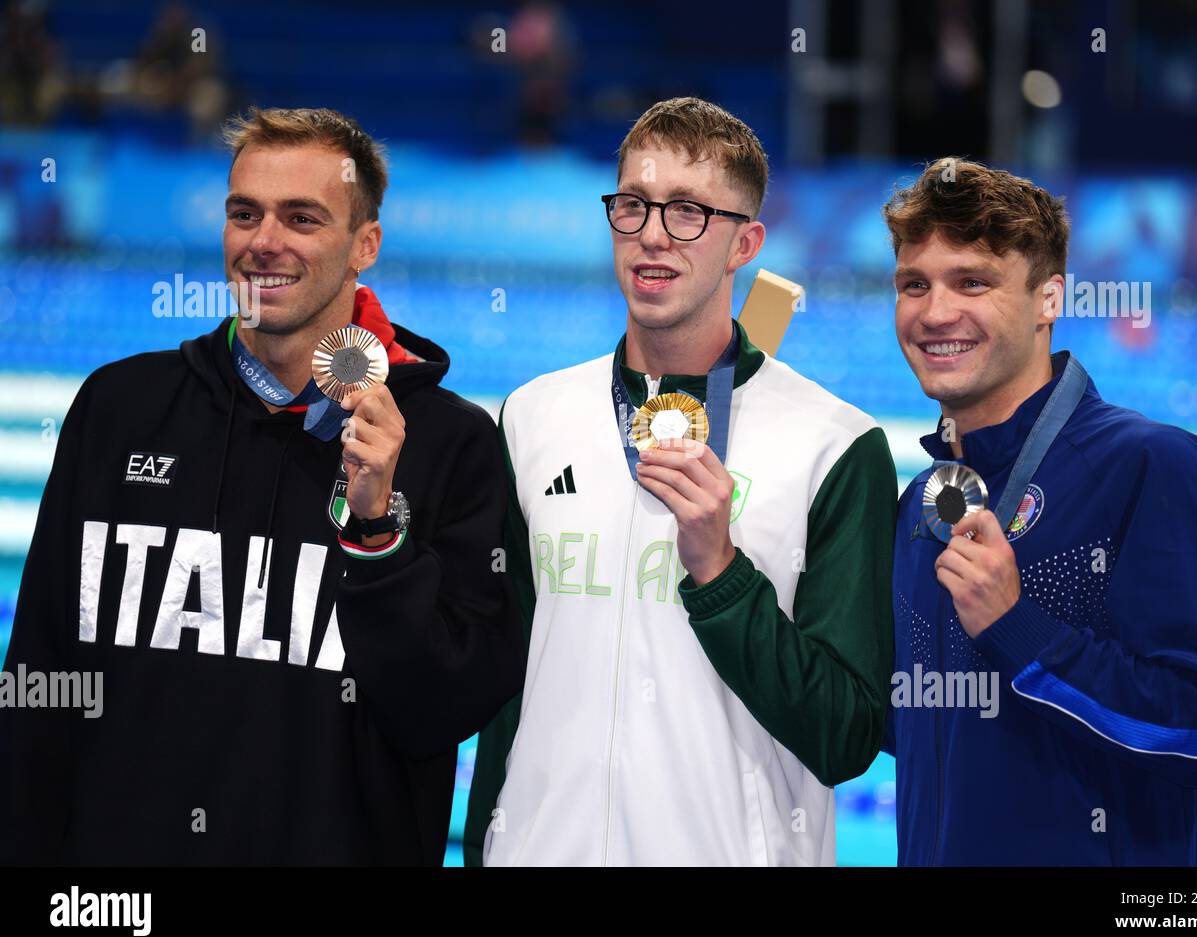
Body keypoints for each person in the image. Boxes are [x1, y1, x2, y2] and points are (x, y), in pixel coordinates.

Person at [0, 107, 524, 864]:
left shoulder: (448, 446)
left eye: (301, 218)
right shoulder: (121, 410)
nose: (263, 242)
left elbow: (443, 710)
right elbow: (40, 683)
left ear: (363, 246)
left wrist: (376, 533)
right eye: (244, 213)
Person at [466, 97, 897, 866]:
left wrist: (722, 574)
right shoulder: (533, 417)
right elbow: (508, 683)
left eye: (689, 211)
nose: (653, 234)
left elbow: (846, 735)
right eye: (633, 205)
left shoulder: (836, 446)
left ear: (746, 243)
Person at [883, 157, 1197, 865]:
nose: (935, 311)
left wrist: (1021, 630)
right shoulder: (924, 504)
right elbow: (907, 732)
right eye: (915, 284)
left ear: (1049, 299)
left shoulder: (1156, 468)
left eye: (972, 281)